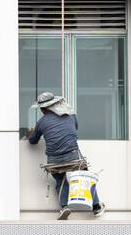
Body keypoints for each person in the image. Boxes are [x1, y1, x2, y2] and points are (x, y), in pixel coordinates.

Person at [26, 91, 105, 220]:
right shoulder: (70, 115)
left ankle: (64, 207)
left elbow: (32, 141)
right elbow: (74, 129)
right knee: (84, 177)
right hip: (72, 157)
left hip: (53, 160)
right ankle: (96, 207)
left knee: (60, 181)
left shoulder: (41, 122)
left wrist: (31, 133)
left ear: (44, 109)